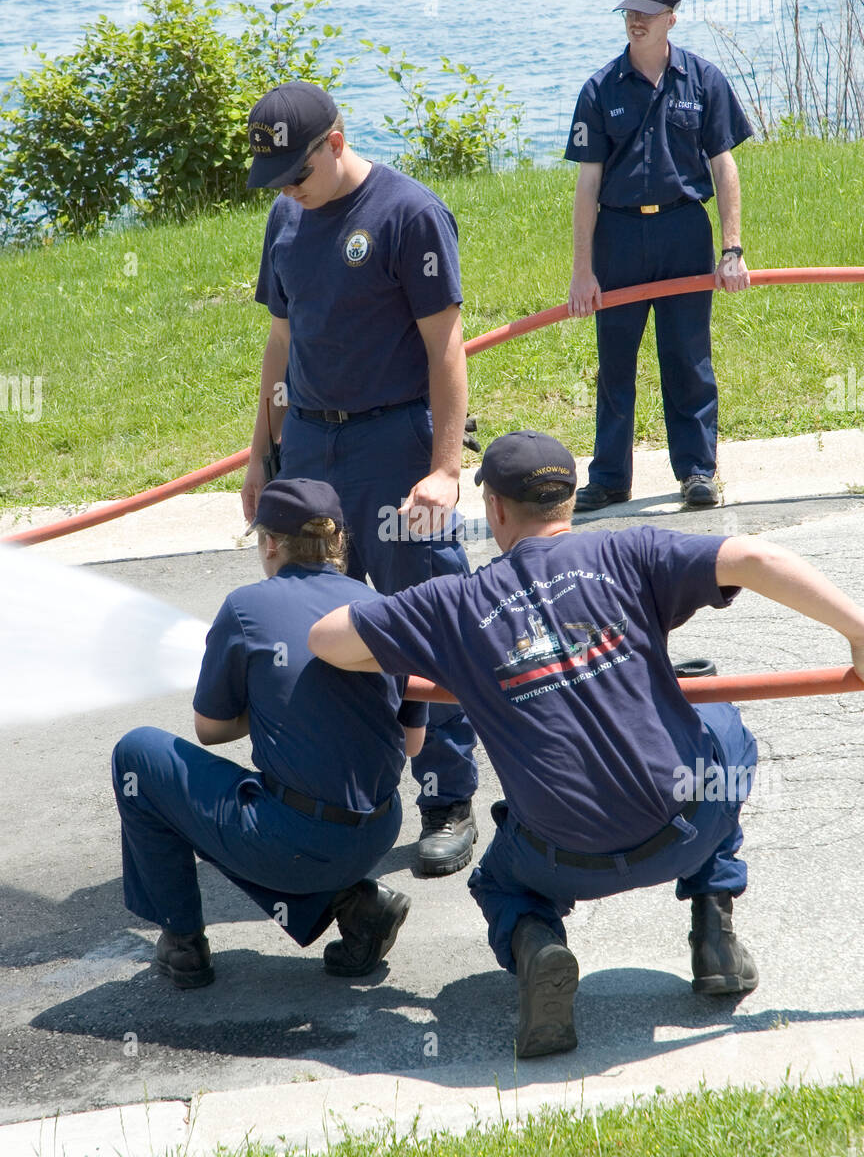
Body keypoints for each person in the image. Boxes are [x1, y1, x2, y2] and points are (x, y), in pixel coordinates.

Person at [309, 430, 864, 1057]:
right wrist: (859, 630)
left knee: (499, 882)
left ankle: (538, 945)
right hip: (684, 828)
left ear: (495, 510)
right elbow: (757, 559)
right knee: (724, 731)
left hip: (562, 857)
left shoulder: (454, 604)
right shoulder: (629, 553)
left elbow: (327, 639)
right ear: (570, 499)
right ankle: (715, 930)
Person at [242, 80, 479, 877]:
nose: (287, 193)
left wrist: (446, 468)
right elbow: (282, 339)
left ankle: (447, 797)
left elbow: (447, 346)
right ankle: (339, 789)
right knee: (315, 618)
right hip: (310, 445)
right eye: (274, 181)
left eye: (295, 175)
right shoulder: (287, 215)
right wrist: (260, 452)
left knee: (423, 615)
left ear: (335, 143)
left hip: (394, 444)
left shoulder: (409, 214)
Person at [110, 478, 422, 989]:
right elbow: (413, 745)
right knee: (265, 808)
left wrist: (275, 706)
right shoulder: (380, 606)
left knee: (139, 758)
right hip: (379, 832)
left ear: (270, 543)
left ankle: (184, 943)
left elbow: (208, 730)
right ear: (338, 542)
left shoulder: (245, 608)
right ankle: (356, 903)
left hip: (298, 846)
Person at [565, 0, 753, 512]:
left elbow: (724, 167)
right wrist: (583, 270)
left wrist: (732, 248)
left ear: (672, 17)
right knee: (615, 361)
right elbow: (587, 186)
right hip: (618, 235)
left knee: (687, 356)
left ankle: (698, 471)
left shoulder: (704, 80)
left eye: (646, 14)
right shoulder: (600, 89)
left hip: (683, 229)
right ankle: (608, 477)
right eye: (629, 13)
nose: (635, 22)